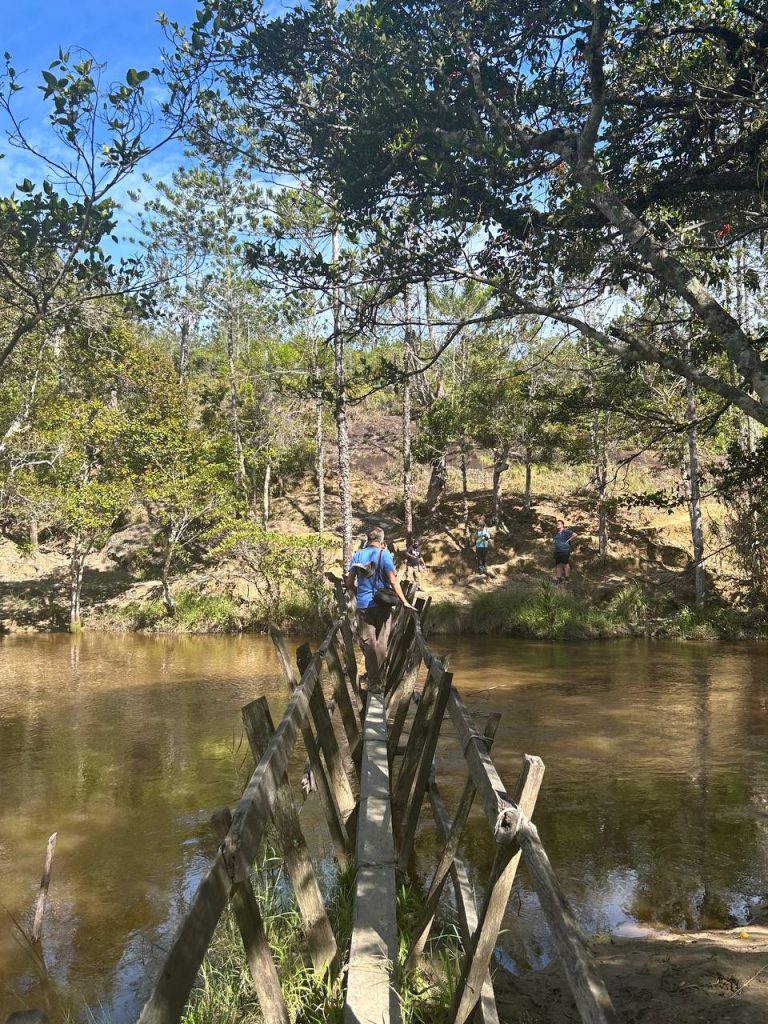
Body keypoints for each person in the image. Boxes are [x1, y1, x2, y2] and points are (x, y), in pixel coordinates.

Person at [345, 527, 415, 690]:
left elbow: (349, 583)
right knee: (382, 642)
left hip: (364, 606)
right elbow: (393, 581)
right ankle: (380, 678)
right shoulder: (384, 555)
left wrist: (358, 592)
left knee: (369, 644)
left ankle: (373, 682)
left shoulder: (357, 555)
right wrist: (404, 601)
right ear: (381, 540)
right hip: (382, 605)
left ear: (368, 539)